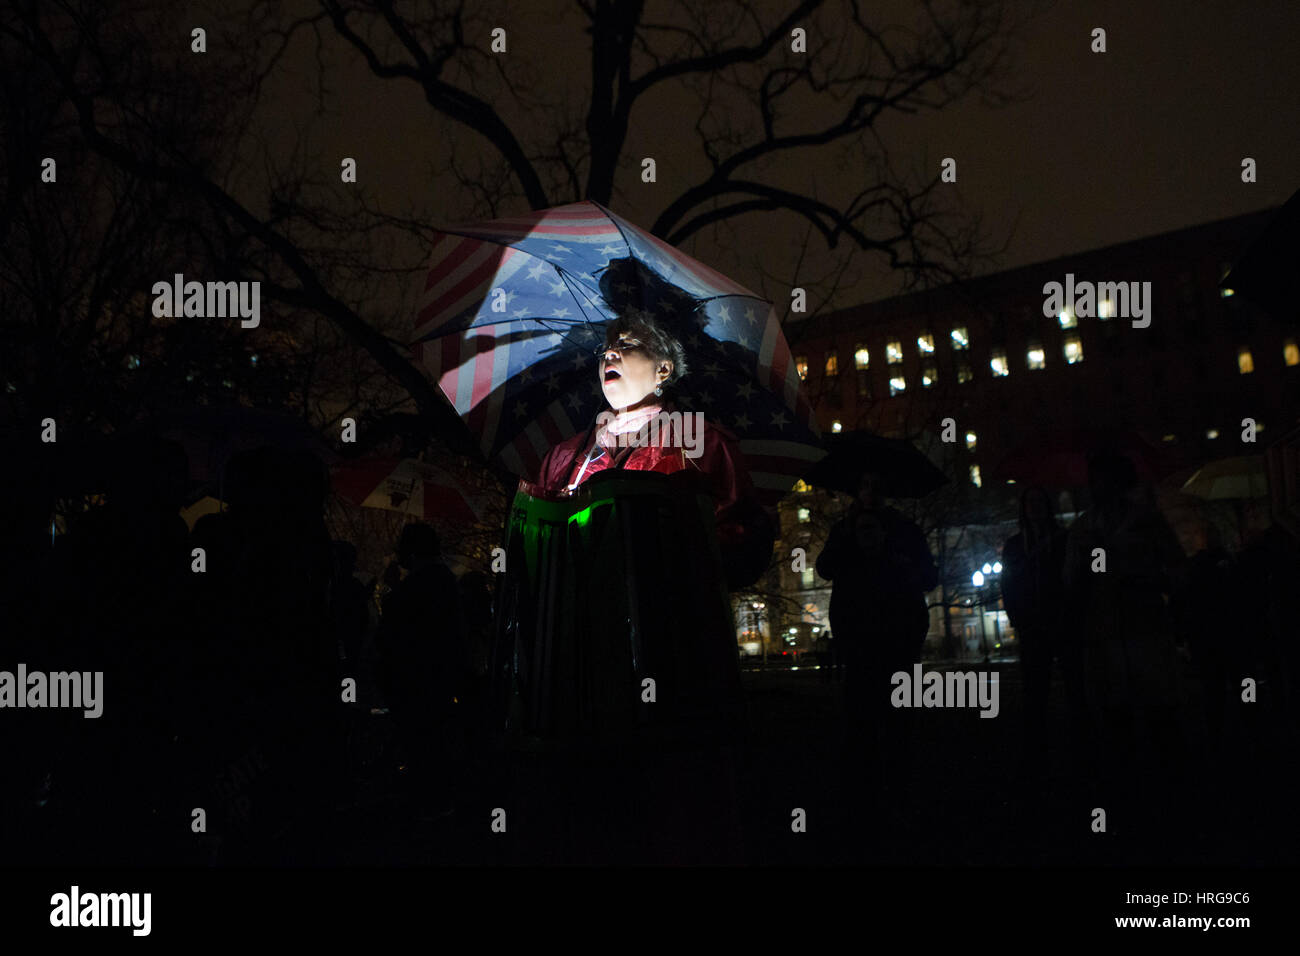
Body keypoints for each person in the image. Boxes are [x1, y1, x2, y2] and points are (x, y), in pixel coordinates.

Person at [532, 310, 773, 590]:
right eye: (606, 347)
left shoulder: (703, 444)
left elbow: (738, 541)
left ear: (663, 370)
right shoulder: (564, 457)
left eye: (627, 344)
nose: (610, 352)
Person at [816, 470, 938, 800]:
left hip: (898, 640)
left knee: (899, 725)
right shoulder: (844, 530)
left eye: (876, 485)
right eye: (864, 484)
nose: (869, 491)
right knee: (861, 725)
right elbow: (824, 567)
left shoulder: (905, 531)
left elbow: (928, 576)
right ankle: (866, 793)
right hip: (859, 643)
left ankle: (897, 790)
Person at [1001, 486, 1080, 769]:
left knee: (1075, 685)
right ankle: (1037, 750)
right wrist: (1018, 618)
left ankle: (1079, 744)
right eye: (1029, 501)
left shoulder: (1064, 540)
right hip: (1032, 625)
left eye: (1038, 501)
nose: (1034, 507)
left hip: (1062, 622)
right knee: (1035, 689)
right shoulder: (1014, 545)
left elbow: (1075, 580)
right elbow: (1007, 585)